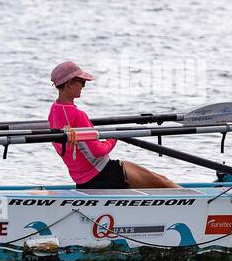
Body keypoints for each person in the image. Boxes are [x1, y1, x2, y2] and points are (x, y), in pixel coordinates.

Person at [49, 61, 179, 190]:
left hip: (82, 181)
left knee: (156, 180)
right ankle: (194, 203)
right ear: (70, 83)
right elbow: (98, 152)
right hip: (105, 173)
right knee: (162, 181)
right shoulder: (78, 115)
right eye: (82, 82)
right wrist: (114, 137)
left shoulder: (53, 112)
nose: (84, 86)